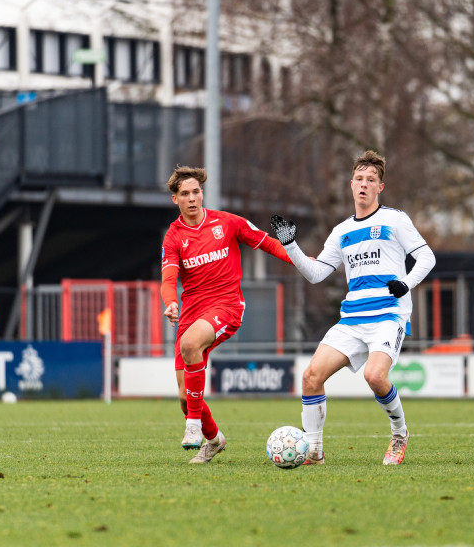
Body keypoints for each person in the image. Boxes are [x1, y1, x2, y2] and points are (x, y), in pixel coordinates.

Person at [270, 150, 436, 465]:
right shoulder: (341, 231)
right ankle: (314, 452)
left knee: (374, 376)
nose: (363, 185)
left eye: (370, 180)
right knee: (311, 377)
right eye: (359, 179)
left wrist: (407, 283)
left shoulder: (394, 219)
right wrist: (290, 245)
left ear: (380, 188)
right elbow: (317, 273)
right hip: (352, 320)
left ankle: (399, 434)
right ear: (350, 185)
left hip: (388, 315)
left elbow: (427, 257)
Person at [161, 165, 293, 464]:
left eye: (196, 192)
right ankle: (214, 439)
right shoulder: (173, 237)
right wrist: (170, 302)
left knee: (190, 344)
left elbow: (267, 242)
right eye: (185, 194)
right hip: (192, 314)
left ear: (202, 193)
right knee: (185, 398)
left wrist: (301, 260)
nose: (192, 198)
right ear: (175, 200)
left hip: (227, 306)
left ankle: (193, 427)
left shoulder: (227, 222)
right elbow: (168, 277)